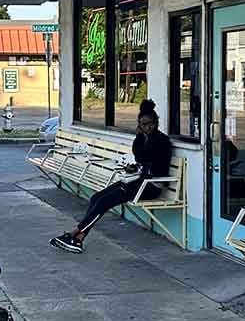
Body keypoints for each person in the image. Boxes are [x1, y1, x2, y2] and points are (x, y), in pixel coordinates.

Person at [50, 99, 172, 253]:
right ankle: (79, 239)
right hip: (139, 182)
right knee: (97, 198)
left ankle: (75, 233)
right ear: (139, 125)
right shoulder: (144, 138)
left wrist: (139, 140)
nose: (148, 127)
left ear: (157, 122)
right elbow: (141, 159)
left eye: (151, 123)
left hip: (151, 187)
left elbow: (144, 157)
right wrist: (137, 151)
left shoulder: (162, 141)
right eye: (144, 125)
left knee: (104, 202)